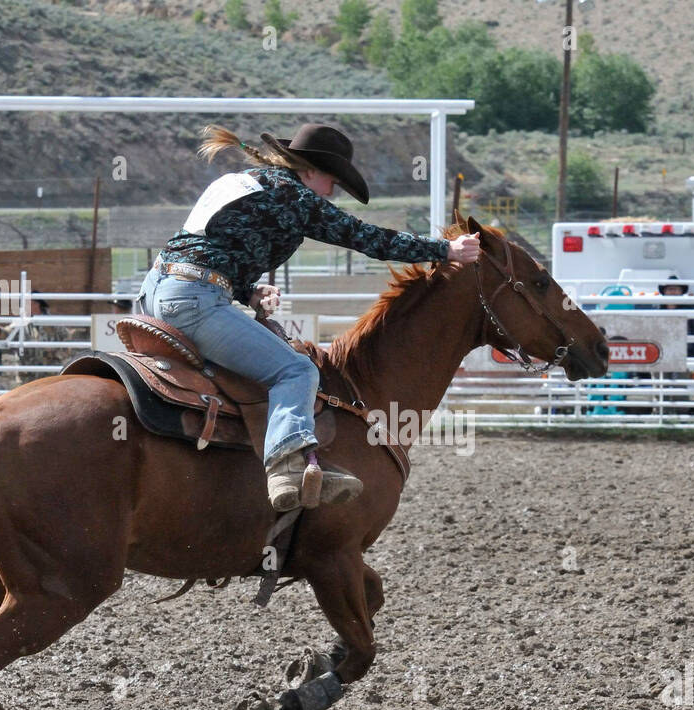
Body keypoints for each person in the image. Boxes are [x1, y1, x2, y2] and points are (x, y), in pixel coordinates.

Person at [137, 123, 481, 512]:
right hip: (194, 300)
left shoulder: (241, 181)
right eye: (332, 181)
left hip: (158, 292)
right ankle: (288, 466)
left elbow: (207, 247)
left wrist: (245, 291)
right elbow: (363, 237)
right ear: (311, 171)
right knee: (296, 371)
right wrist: (444, 250)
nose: (331, 192)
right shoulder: (293, 196)